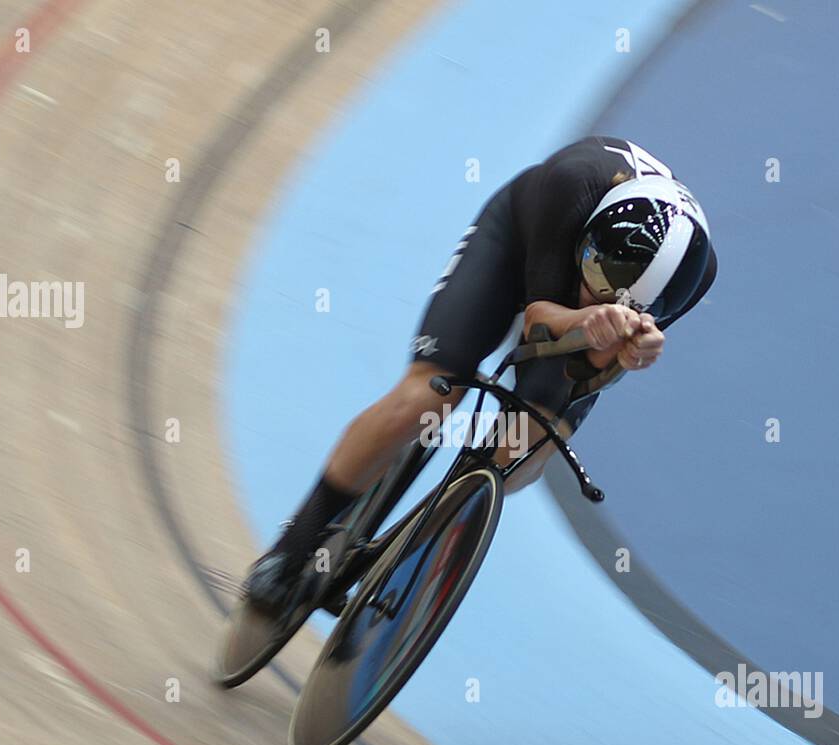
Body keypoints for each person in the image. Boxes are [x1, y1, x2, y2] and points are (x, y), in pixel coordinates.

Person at [244, 135, 717, 612]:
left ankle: (409, 555)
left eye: (614, 297)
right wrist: (588, 319)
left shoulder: (690, 278)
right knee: (425, 399)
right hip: (516, 244)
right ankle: (292, 549)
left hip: (591, 319)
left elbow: (586, 369)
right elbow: (538, 323)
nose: (592, 295)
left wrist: (627, 356)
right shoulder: (572, 182)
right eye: (595, 277)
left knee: (521, 454)